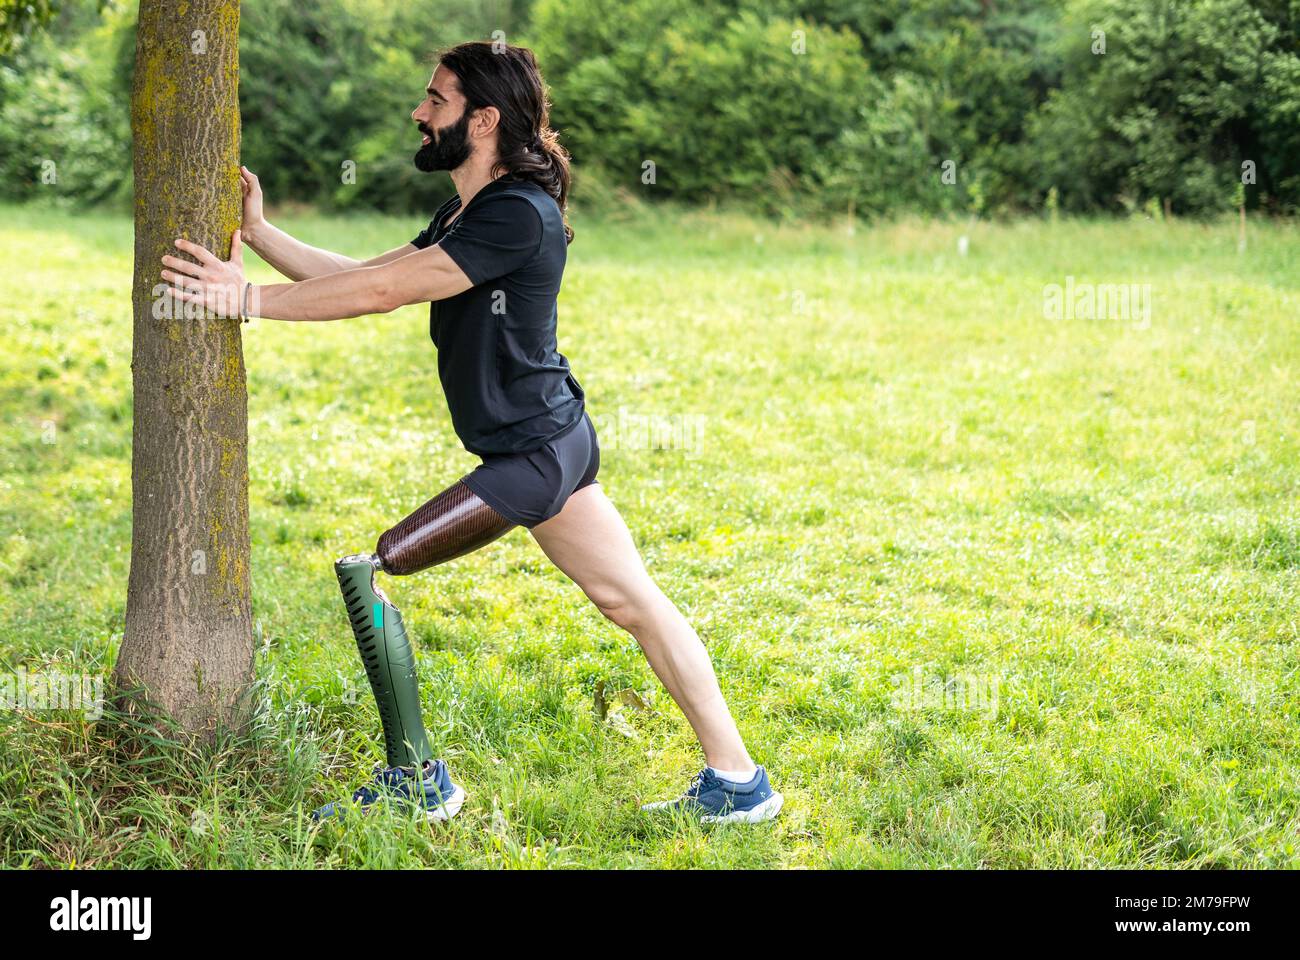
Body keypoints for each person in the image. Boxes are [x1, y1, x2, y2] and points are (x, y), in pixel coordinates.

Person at [159, 41, 782, 825]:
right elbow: (366, 271)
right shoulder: (474, 209)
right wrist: (260, 236)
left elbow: (383, 291)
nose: (419, 113)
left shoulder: (517, 212)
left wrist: (242, 300)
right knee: (636, 604)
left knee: (367, 573)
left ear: (482, 119)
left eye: (436, 100)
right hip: (555, 442)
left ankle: (418, 781)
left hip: (533, 458)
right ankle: (739, 783)